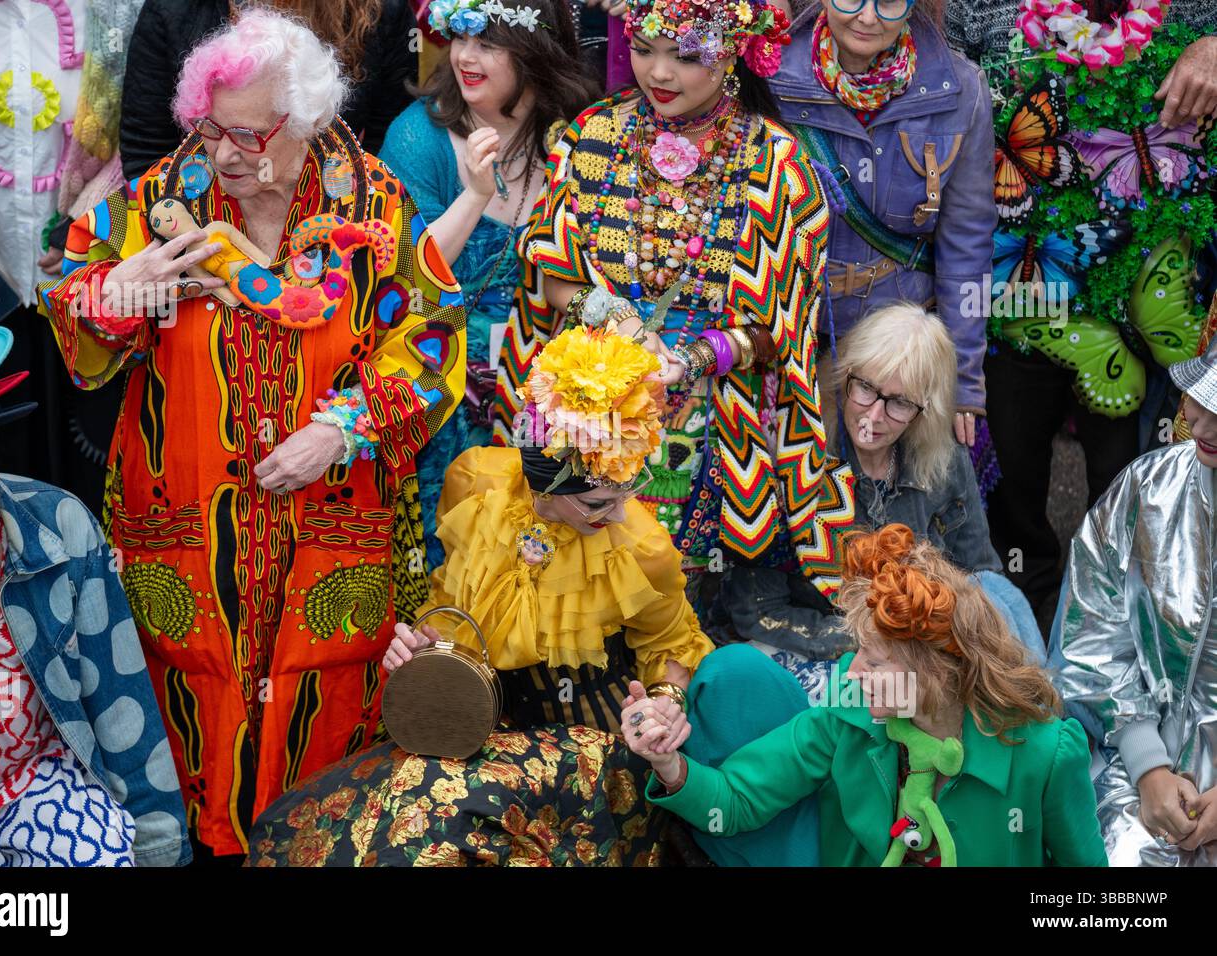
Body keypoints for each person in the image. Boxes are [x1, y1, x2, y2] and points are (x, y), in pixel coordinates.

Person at [36, 8, 465, 860]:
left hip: (329, 526)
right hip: (189, 525)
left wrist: (343, 429)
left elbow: (430, 344)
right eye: (210, 127)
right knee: (194, 706)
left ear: (302, 120)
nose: (224, 154)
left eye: (247, 134)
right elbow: (75, 325)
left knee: (326, 720)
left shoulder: (375, 208)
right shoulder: (159, 200)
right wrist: (122, 289)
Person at [247, 325, 713, 867]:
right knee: (352, 808)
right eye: (595, 503)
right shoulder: (476, 483)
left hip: (596, 747)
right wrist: (424, 653)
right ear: (545, 484)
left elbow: (675, 641)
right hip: (479, 728)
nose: (617, 515)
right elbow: (455, 609)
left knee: (432, 810)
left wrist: (665, 703)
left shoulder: (640, 544)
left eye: (624, 495)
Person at [496, 0, 858, 611]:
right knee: (566, 588)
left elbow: (779, 329)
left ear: (732, 52)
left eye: (686, 56)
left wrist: (689, 359)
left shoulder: (776, 163)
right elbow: (545, 268)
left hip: (708, 415)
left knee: (672, 603)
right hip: (584, 400)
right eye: (644, 49)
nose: (659, 73)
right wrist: (609, 315)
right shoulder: (592, 136)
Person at [945, 1, 1217, 630]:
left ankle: (1114, 626)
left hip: (1137, 285)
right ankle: (1021, 621)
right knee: (1011, 470)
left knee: (1123, 479)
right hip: (1016, 285)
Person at [623, 523, 1108, 866]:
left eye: (874, 661)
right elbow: (737, 800)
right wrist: (671, 766)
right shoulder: (852, 714)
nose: (851, 673)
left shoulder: (1045, 754)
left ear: (937, 669)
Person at [0, 292, 189, 866]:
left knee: (95, 853)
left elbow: (121, 701)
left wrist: (160, 850)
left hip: (36, 780)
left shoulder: (60, 525)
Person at [380, 0, 598, 570]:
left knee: (541, 560)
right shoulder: (418, 137)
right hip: (442, 382)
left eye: (487, 41)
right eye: (459, 37)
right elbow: (404, 281)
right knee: (451, 552)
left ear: (534, 49)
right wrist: (475, 194)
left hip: (544, 386)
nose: (465, 57)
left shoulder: (575, 137)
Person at [717, 302, 1044, 663]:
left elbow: (980, 572)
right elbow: (757, 613)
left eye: (899, 403)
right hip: (826, 647)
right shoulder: (792, 454)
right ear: (844, 376)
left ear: (926, 410)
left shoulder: (945, 458)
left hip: (923, 641)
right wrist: (884, 643)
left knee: (999, 600)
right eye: (865, 389)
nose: (872, 417)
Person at [0, 0, 146, 513]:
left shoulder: (120, 11)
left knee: (88, 466)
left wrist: (93, 222)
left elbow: (147, 123)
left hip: (88, 289)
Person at [771, 0, 995, 455]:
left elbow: (966, 242)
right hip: (790, 342)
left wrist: (964, 380)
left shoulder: (960, 90)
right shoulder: (767, 75)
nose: (868, 17)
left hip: (897, 354)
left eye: (890, 2)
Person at [1050, 341, 1217, 867]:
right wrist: (1148, 765)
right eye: (1199, 401)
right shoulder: (1148, 487)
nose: (1203, 427)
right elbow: (1092, 628)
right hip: (1137, 763)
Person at [119, 0, 417, 178]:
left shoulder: (382, 12)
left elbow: (390, 146)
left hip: (330, 211)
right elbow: (146, 148)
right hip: (202, 203)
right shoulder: (175, 9)